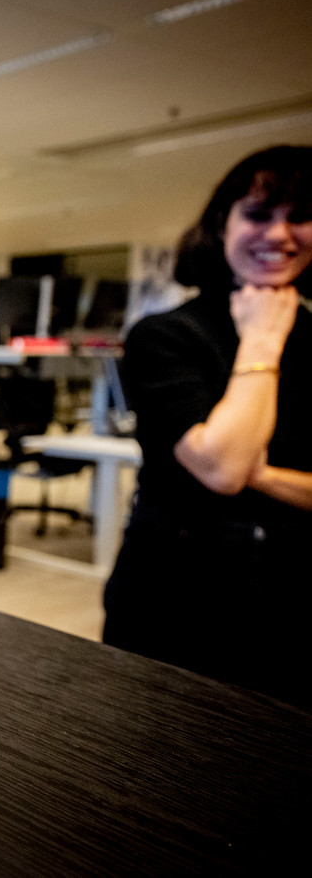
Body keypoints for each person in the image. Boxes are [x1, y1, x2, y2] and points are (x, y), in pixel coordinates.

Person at [104, 145, 312, 703]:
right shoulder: (167, 335)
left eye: (300, 216)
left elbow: (235, 464)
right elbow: (222, 467)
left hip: (296, 601)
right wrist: (264, 337)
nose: (280, 234)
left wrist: (262, 476)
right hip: (176, 596)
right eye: (260, 214)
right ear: (223, 223)